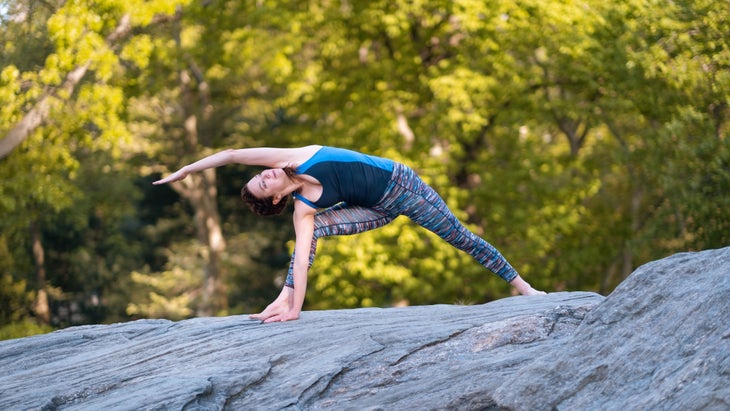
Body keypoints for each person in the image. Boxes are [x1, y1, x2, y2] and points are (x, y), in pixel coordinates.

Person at [153, 145, 545, 323]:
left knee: (460, 237)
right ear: (275, 202)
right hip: (374, 208)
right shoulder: (303, 209)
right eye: (262, 184)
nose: (264, 175)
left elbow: (232, 155)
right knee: (314, 232)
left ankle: (524, 287)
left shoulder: (291, 156)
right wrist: (295, 306)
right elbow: (303, 258)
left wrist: (186, 171)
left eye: (259, 175)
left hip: (403, 187)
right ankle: (283, 301)